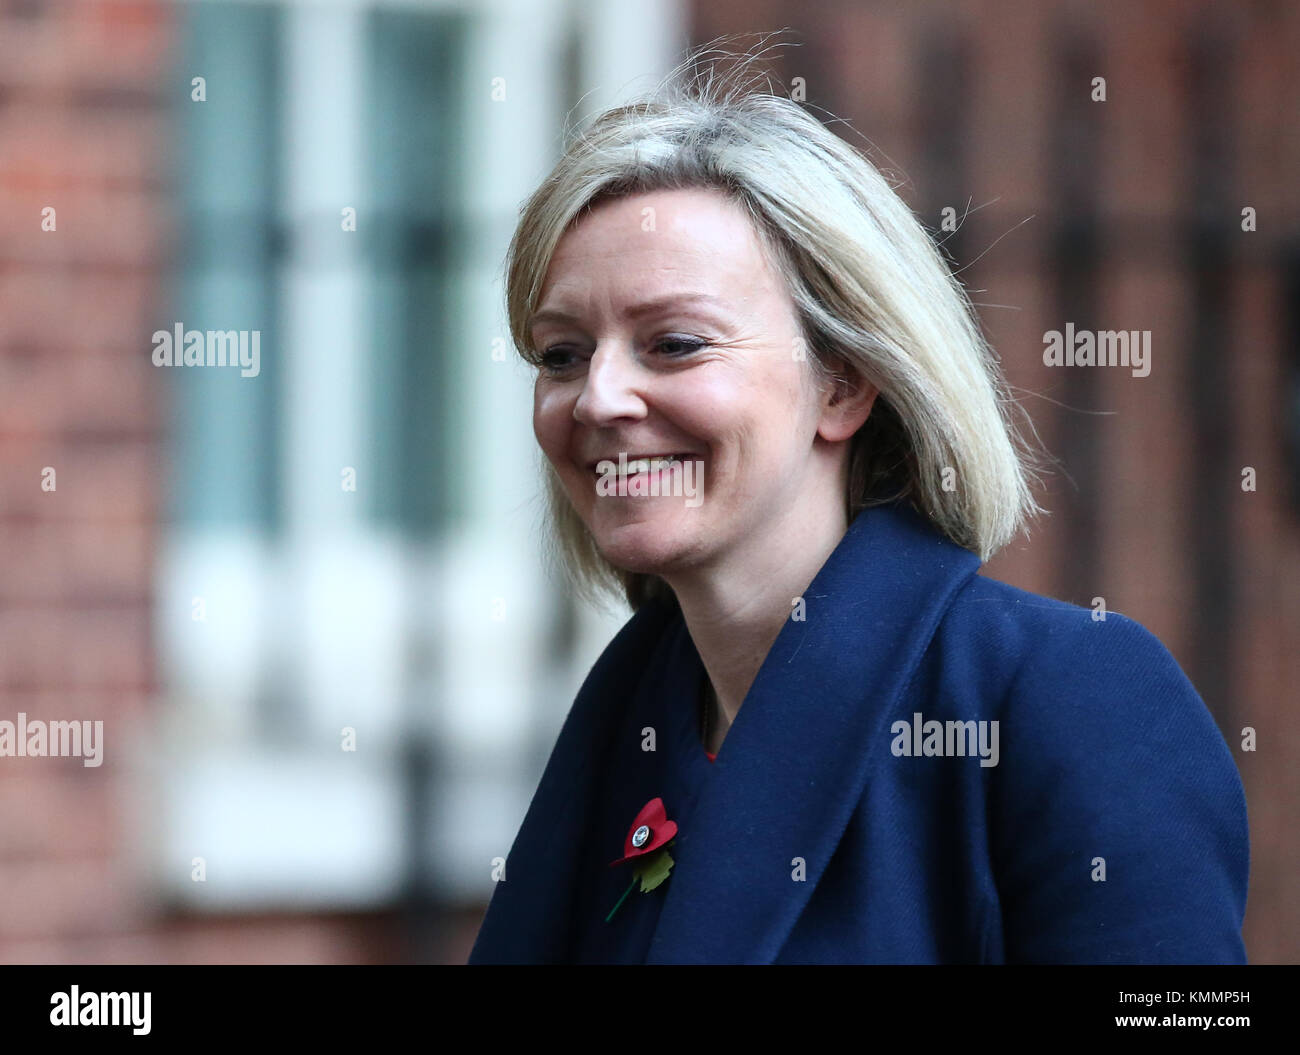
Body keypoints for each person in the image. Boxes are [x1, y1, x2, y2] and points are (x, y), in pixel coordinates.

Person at [467, 47, 1249, 964]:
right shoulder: (624, 716)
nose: (598, 398)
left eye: (674, 343)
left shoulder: (1068, 697)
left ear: (843, 384)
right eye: (562, 354)